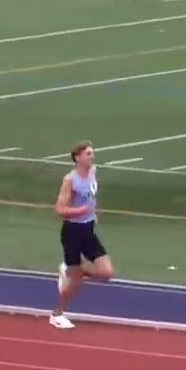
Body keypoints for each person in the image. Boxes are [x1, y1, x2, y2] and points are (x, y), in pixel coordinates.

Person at [50, 141, 115, 329]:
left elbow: (91, 196)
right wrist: (81, 211)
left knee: (106, 272)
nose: (92, 156)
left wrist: (92, 214)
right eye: (88, 153)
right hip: (72, 232)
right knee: (75, 282)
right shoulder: (70, 180)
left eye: (92, 153)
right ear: (78, 157)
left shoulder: (93, 172)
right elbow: (60, 209)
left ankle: (72, 270)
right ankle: (57, 314)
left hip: (88, 229)